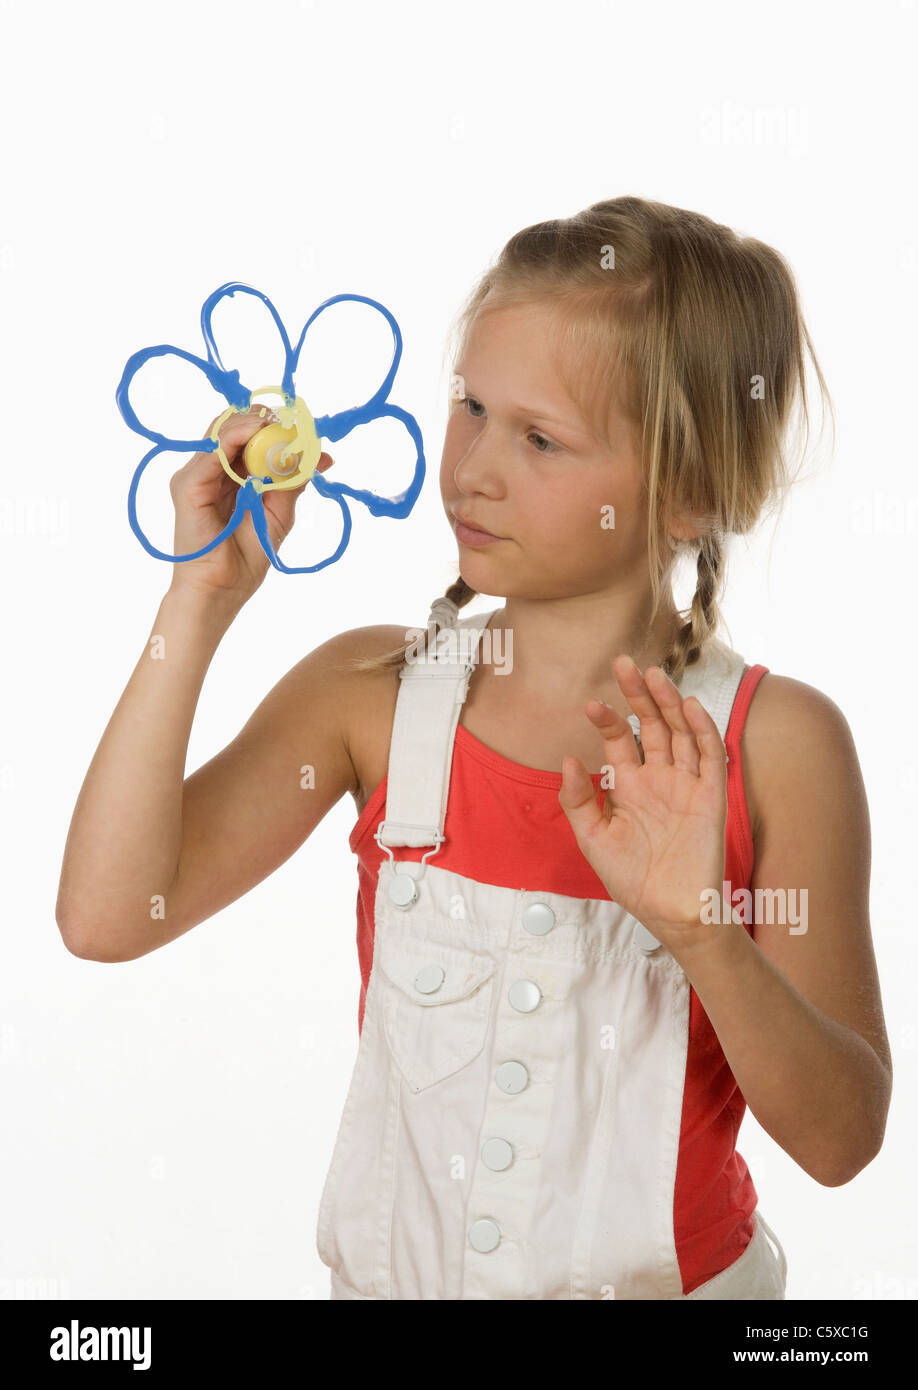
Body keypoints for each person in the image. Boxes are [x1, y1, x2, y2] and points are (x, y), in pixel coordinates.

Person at [56, 195, 892, 1301]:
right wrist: (197, 603)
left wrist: (704, 933)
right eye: (473, 409)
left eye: (541, 438)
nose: (475, 470)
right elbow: (110, 917)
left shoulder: (777, 745)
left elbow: (842, 1140)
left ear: (689, 495)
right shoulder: (370, 695)